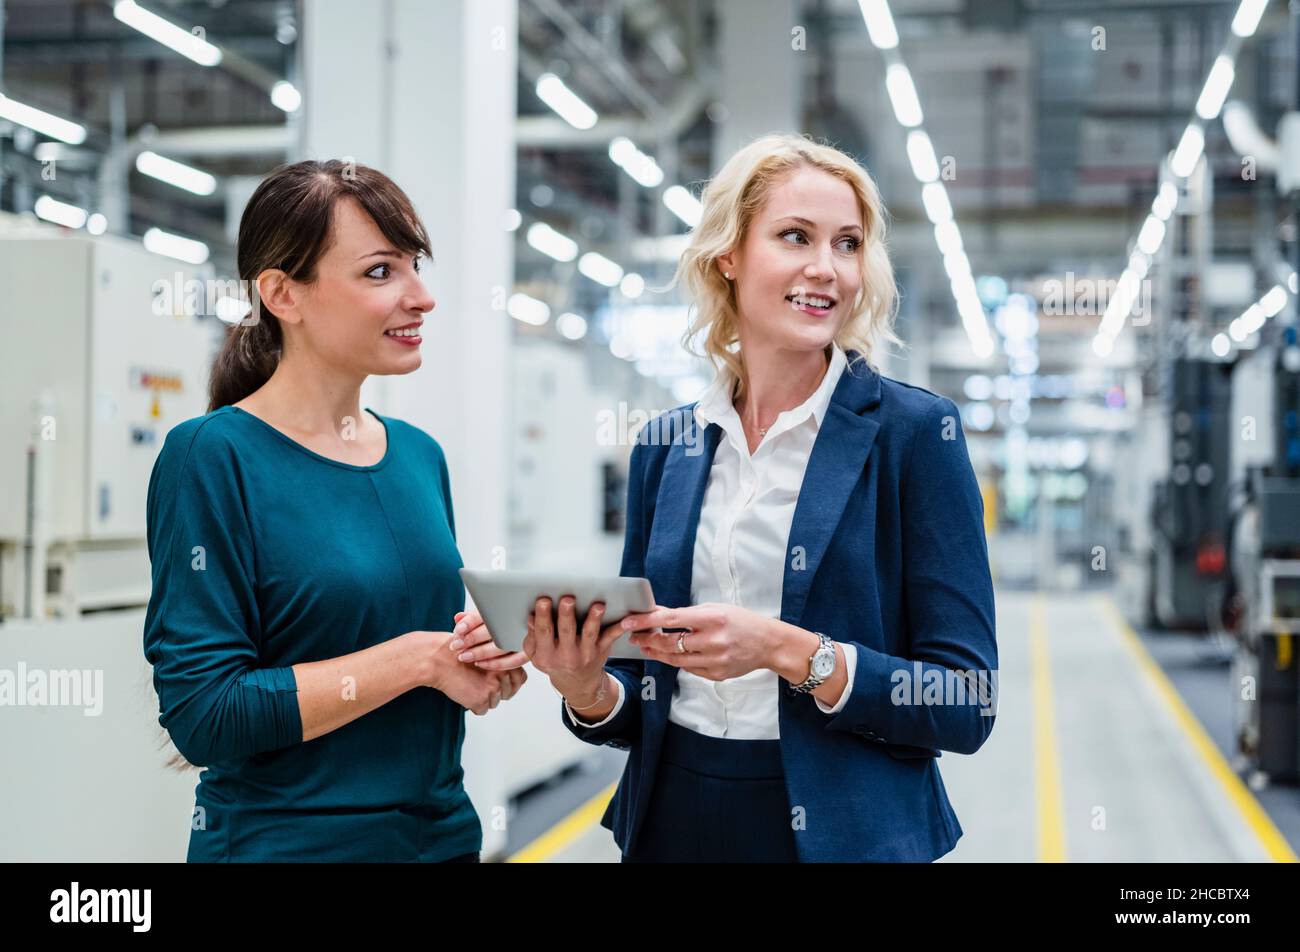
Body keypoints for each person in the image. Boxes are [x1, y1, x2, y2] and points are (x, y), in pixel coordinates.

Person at [474, 133, 998, 862]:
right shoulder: (669, 446)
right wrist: (584, 683)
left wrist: (786, 651)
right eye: (795, 237)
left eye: (847, 244)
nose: (826, 268)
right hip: (674, 819)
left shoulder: (913, 435)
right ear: (728, 256)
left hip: (844, 833)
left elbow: (964, 701)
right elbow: (636, 694)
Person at [143, 159, 526, 862]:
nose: (421, 296)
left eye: (416, 265)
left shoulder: (418, 455)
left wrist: (473, 656)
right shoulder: (212, 458)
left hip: (440, 837)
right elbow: (205, 714)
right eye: (381, 272)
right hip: (289, 847)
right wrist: (418, 659)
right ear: (283, 294)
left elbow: (414, 643)